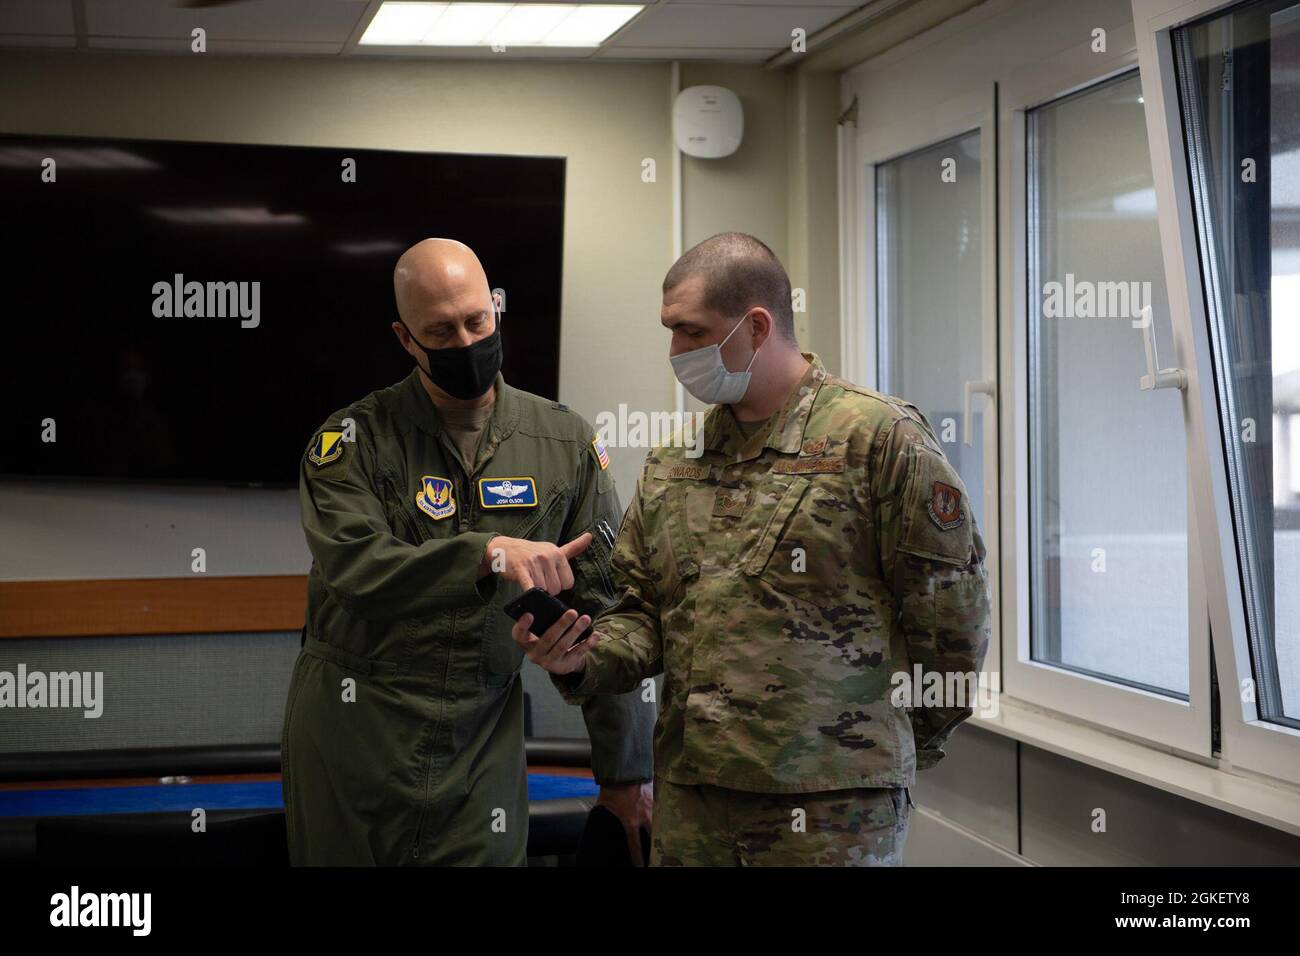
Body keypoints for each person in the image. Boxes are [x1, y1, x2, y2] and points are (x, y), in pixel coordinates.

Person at [514, 232, 991, 866]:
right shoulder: (672, 463)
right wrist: (581, 658)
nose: (675, 352)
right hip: (694, 802)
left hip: (831, 808)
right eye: (670, 331)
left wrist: (888, 754)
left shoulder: (878, 441)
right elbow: (642, 614)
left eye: (690, 332)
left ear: (757, 326)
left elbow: (951, 625)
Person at [282, 238, 654, 865]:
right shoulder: (351, 441)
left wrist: (625, 775)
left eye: (476, 320)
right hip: (355, 735)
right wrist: (485, 553)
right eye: (440, 330)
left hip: (479, 743)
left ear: (497, 308)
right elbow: (356, 571)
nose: (464, 342)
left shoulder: (563, 443)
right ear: (406, 339)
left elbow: (607, 611)